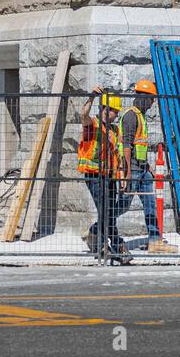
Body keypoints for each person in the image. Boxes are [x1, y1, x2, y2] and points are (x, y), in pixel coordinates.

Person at [78, 87, 128, 261]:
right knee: (105, 210)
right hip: (94, 175)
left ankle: (98, 237)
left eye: (115, 111)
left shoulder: (115, 131)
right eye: (111, 110)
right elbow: (82, 115)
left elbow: (118, 156)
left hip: (110, 177)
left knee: (110, 210)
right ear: (104, 109)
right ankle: (106, 245)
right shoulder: (92, 124)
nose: (113, 114)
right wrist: (91, 98)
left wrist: (121, 177)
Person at [119, 79, 163, 248]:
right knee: (122, 206)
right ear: (144, 97)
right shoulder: (131, 116)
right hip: (133, 170)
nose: (152, 104)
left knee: (150, 204)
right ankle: (96, 231)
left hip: (142, 169)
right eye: (152, 100)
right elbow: (127, 145)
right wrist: (128, 172)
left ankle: (155, 240)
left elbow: (141, 145)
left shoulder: (140, 116)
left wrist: (149, 168)